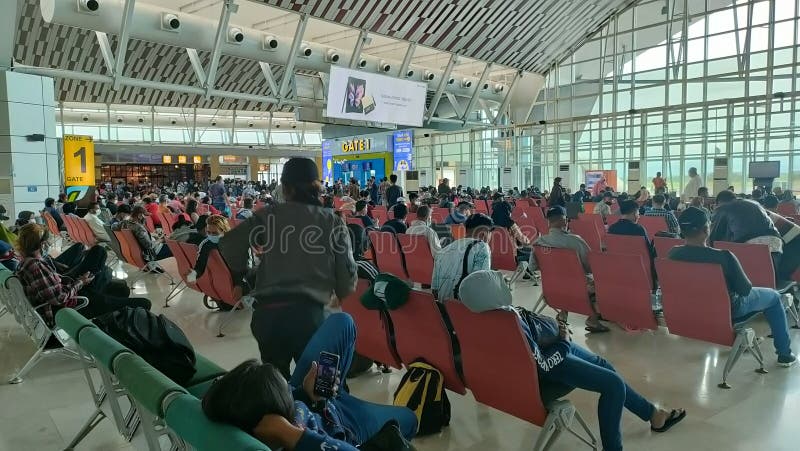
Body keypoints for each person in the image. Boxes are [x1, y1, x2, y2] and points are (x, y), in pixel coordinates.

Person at [457, 270, 686, 451]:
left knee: (604, 365)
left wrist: (556, 336)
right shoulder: (509, 325)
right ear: (490, 295)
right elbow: (543, 364)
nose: (505, 282)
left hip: (542, 352)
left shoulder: (482, 316)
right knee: (613, 384)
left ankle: (653, 415)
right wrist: (564, 341)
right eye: (498, 283)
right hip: (545, 371)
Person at [219, 158, 357, 378]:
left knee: (276, 382)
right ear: (317, 187)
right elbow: (347, 272)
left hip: (269, 316)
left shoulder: (267, 216)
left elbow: (229, 244)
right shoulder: (332, 221)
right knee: (318, 383)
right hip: (313, 316)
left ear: (285, 188)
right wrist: (341, 293)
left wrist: (242, 275)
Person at [202, 314, 417, 450]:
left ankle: (333, 392)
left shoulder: (249, 409)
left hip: (316, 401)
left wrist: (303, 394)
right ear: (273, 422)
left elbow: (289, 397)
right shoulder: (294, 437)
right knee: (409, 419)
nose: (287, 388)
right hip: (345, 425)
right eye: (284, 390)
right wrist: (289, 432)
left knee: (342, 322)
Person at [669, 207, 796, 367]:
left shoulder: (673, 254)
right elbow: (745, 290)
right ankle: (785, 354)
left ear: (682, 230)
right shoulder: (724, 256)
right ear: (707, 229)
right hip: (730, 308)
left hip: (692, 307)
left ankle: (743, 339)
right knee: (774, 297)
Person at [15, 224, 151, 327]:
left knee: (120, 287)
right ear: (42, 244)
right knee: (143, 303)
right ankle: (100, 285)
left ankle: (101, 285)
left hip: (70, 293)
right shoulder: (35, 267)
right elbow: (58, 298)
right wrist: (81, 282)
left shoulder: (27, 262)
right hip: (71, 306)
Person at [534, 206, 608, 332]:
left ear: (548, 222)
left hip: (551, 288)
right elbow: (590, 267)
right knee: (599, 282)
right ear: (564, 221)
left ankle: (563, 314)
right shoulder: (576, 241)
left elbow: (532, 267)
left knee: (564, 278)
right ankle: (593, 318)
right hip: (578, 289)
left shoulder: (538, 242)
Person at [710, 190, 782, 271]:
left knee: (745, 274)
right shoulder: (754, 203)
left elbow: (714, 236)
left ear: (719, 202)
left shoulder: (722, 208)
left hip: (750, 244)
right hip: (775, 241)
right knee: (770, 275)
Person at [431, 214, 494, 301]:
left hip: (444, 306)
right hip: (465, 306)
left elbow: (434, 291)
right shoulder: (482, 247)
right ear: (484, 233)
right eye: (490, 233)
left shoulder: (442, 251)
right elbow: (481, 285)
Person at [186, 214, 230, 283]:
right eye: (208, 232)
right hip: (222, 280)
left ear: (224, 231)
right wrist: (194, 274)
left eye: (215, 233)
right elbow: (200, 264)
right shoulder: (206, 244)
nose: (211, 236)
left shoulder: (234, 243)